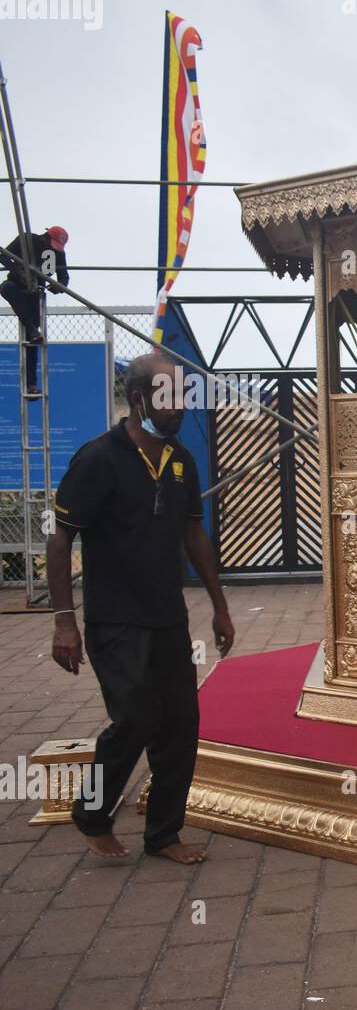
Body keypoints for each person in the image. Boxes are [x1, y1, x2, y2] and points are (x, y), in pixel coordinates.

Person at [46, 352, 235, 864]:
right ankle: (91, 814)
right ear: (138, 400)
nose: (180, 408)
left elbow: (194, 533)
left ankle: (164, 835)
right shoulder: (98, 459)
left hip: (168, 617)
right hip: (114, 619)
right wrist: (64, 621)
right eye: (169, 398)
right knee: (134, 718)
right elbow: (61, 540)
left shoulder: (180, 461)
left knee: (179, 722)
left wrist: (220, 606)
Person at [1, 225, 69, 393]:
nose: (51, 249)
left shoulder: (58, 254)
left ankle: (30, 384)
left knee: (32, 338)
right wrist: (19, 272)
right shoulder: (27, 239)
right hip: (17, 284)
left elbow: (64, 278)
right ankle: (31, 329)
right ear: (46, 236)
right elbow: (3, 255)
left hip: (36, 292)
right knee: (6, 288)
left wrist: (57, 286)